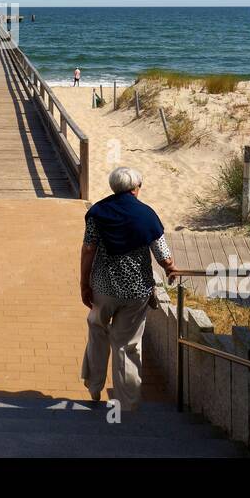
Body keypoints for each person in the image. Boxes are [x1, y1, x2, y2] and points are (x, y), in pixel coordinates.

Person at [79, 167, 181, 411]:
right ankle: (127, 403)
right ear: (136, 188)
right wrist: (171, 268)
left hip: (103, 288)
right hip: (136, 291)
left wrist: (84, 282)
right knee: (127, 344)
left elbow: (88, 249)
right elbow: (162, 254)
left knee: (97, 331)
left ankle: (94, 386)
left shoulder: (98, 212)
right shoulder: (146, 215)